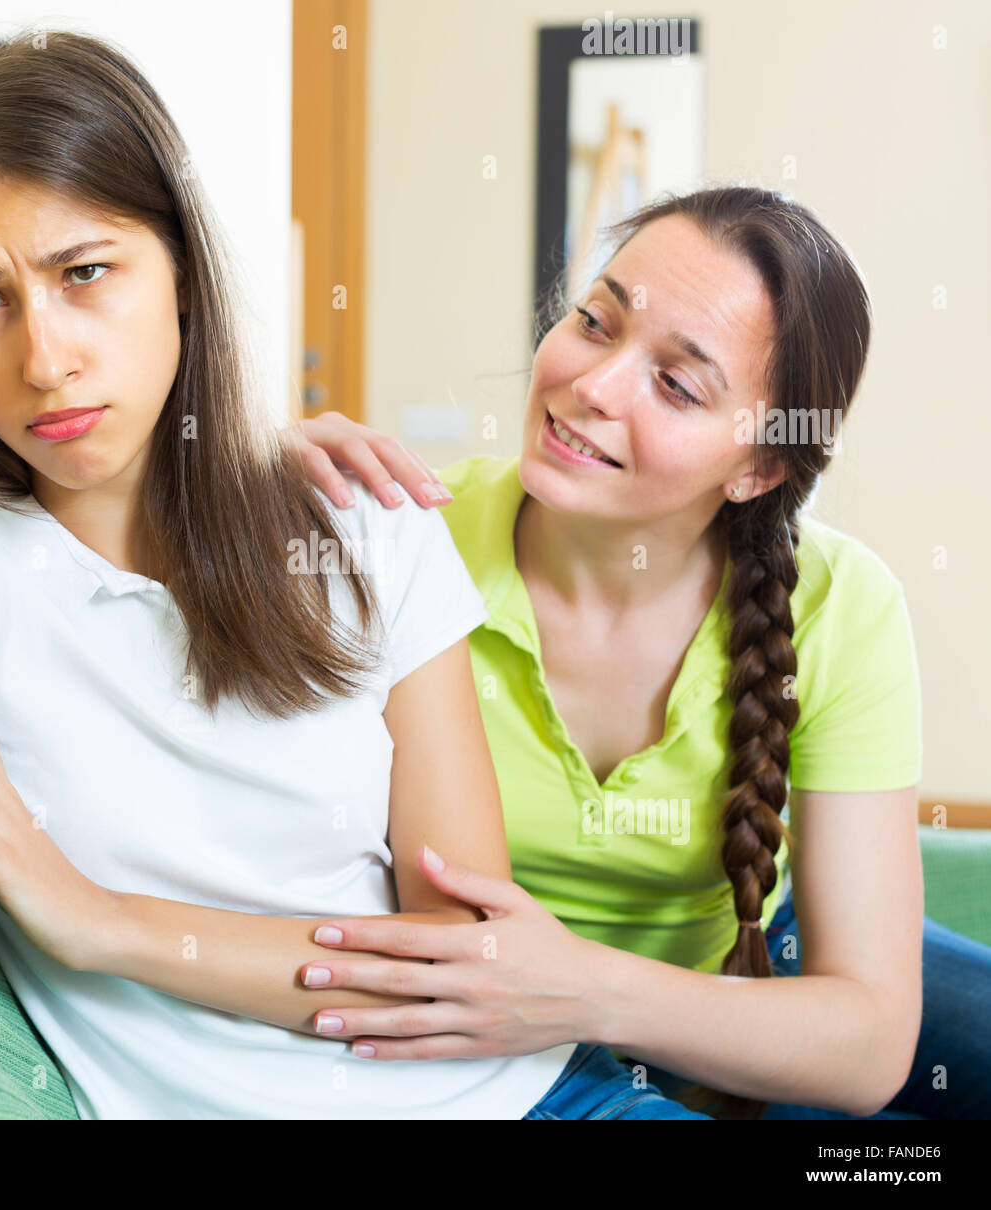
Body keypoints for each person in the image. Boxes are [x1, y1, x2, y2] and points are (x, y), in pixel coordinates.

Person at [0, 27, 604, 1120]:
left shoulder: (364, 527)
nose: (44, 358)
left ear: (179, 270)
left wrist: (93, 916)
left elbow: (454, 960)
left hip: (530, 1103)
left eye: (86, 273)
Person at [283, 185, 991, 1119]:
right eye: (596, 322)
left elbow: (866, 1043)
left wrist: (579, 984)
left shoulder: (837, 605)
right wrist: (234, 493)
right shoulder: (399, 545)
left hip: (741, 969)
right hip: (514, 1045)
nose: (594, 385)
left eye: (677, 384)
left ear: (759, 468)